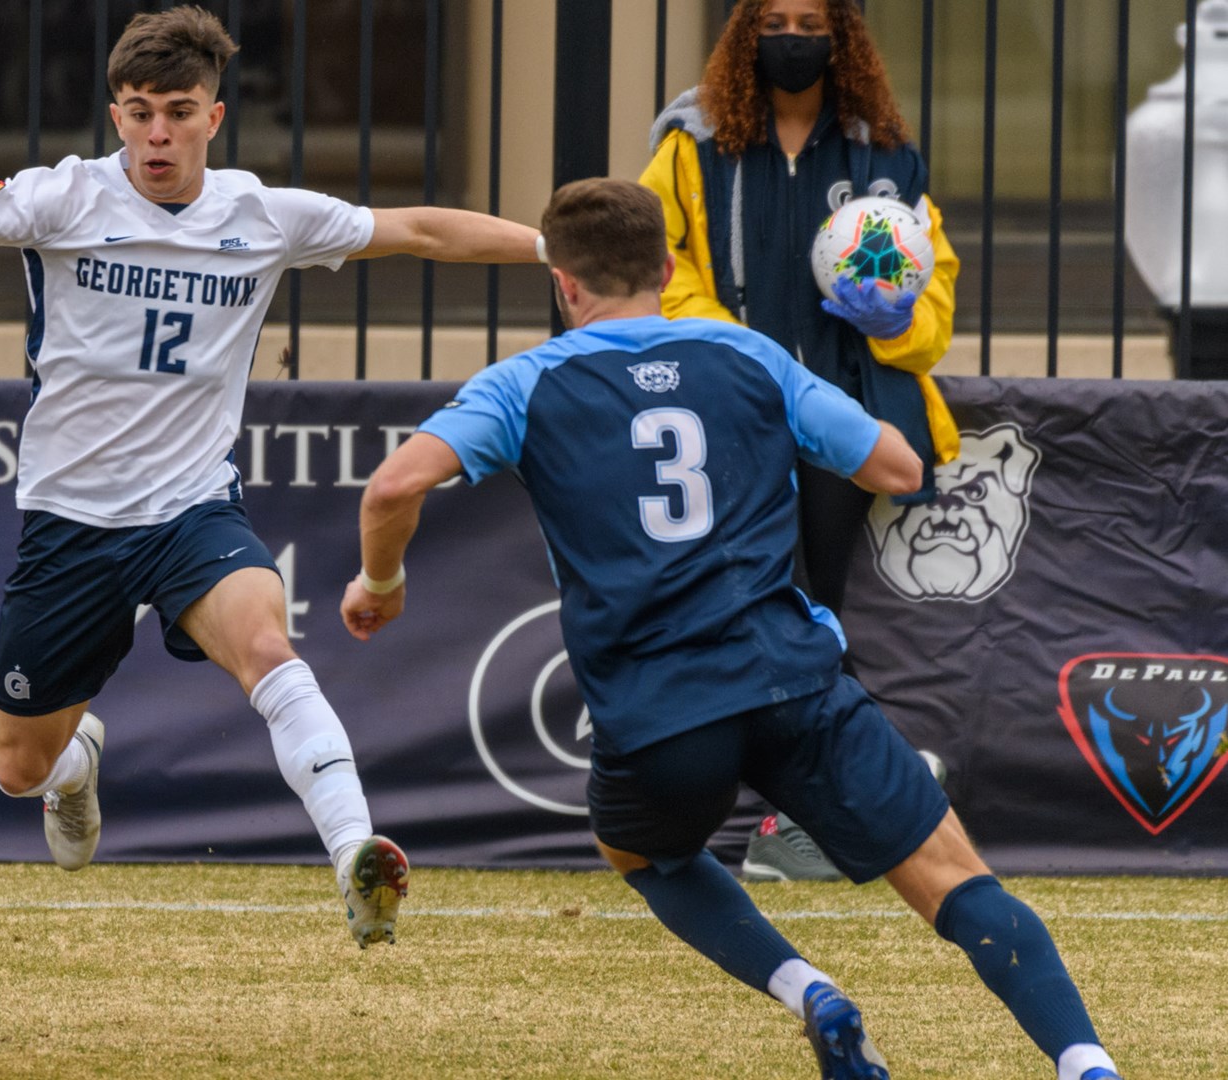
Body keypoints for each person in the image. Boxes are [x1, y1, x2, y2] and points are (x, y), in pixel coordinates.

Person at [341, 178, 1120, 1080]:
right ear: (668, 269)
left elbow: (392, 488)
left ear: (563, 283)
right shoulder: (747, 354)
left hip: (658, 705)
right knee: (955, 878)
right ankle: (1085, 1064)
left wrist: (380, 582)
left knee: (642, 852)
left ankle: (810, 993)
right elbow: (899, 468)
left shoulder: (525, 383)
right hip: (791, 674)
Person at [0, 4, 540, 948]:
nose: (155, 133)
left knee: (269, 651)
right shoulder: (66, 195)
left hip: (191, 508)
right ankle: (75, 763)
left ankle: (355, 855)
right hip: (70, 522)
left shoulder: (260, 214)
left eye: (176, 110)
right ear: (114, 112)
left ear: (215, 115)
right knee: (17, 766)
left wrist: (550, 248)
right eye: (135, 111)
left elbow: (419, 229)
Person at [639, 0, 961, 883]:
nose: (792, 35)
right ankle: (805, 796)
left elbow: (931, 317)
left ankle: (816, 812)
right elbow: (658, 276)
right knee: (762, 601)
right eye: (774, 18)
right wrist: (740, 351)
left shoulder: (882, 154)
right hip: (730, 414)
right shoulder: (690, 145)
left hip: (846, 415)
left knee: (811, 602)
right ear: (746, 33)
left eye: (809, 19)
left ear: (841, 36)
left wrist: (893, 320)